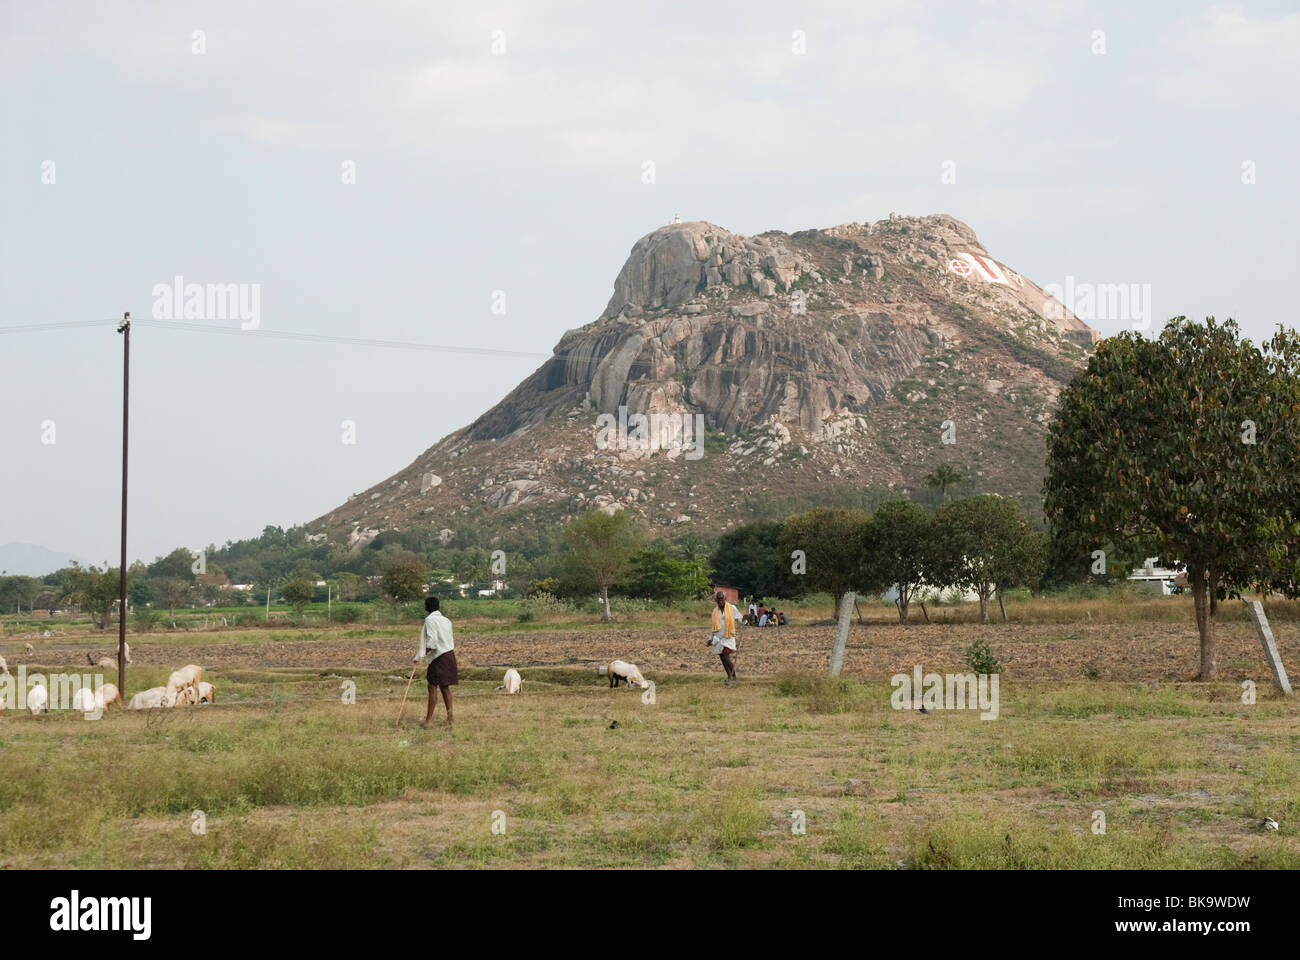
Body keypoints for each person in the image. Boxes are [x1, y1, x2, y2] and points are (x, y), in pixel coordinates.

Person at [414, 595, 458, 727]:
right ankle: (450, 719)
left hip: (439, 657)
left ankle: (428, 721)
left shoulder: (429, 620)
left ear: (426, 608)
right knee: (445, 687)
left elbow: (432, 642)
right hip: (449, 655)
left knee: (432, 687)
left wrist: (420, 656)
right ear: (438, 607)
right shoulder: (447, 620)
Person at [707, 590, 740, 685]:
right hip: (718, 638)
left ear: (725, 599)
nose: (720, 601)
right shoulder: (714, 612)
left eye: (722, 598)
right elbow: (713, 627)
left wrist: (745, 620)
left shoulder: (732, 608)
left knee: (726, 656)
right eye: (718, 599)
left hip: (728, 637)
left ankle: (734, 677)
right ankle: (729, 676)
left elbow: (739, 618)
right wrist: (710, 639)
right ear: (716, 600)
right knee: (722, 657)